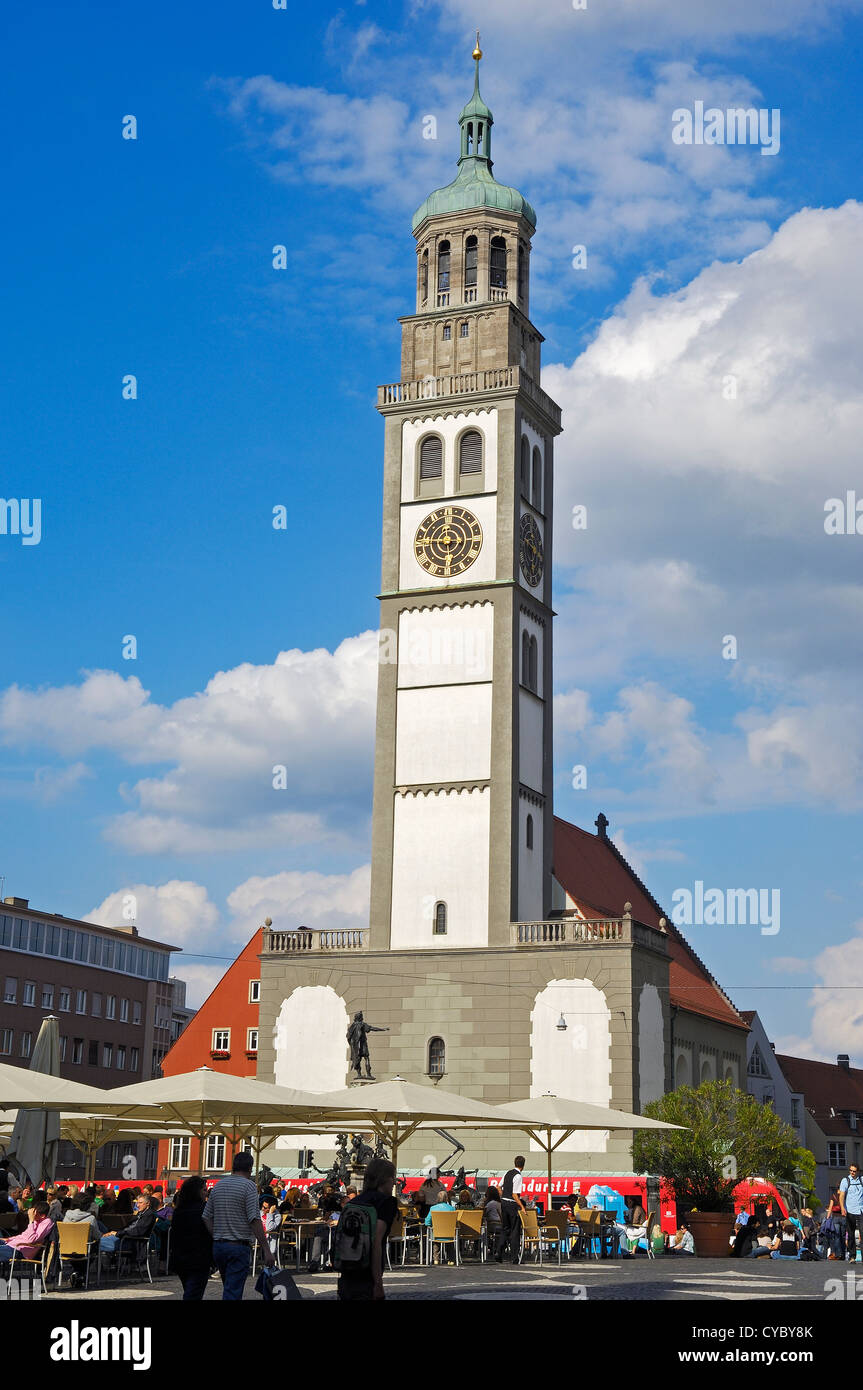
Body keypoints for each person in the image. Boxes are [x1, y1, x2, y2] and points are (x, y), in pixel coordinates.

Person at [203, 1152, 274, 1301]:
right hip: (238, 1245)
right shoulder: (248, 1186)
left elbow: (206, 1216)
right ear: (250, 1168)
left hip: (219, 1246)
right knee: (233, 1291)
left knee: (229, 1286)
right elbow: (254, 1220)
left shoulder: (218, 1185)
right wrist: (266, 1249)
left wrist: (216, 1234)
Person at [336, 1157, 397, 1302]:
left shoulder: (355, 1201)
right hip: (367, 1273)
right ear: (384, 1179)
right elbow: (376, 1240)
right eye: (393, 1178)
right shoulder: (386, 1202)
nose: (394, 1182)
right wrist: (378, 1283)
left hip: (347, 1269)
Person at [169, 1176, 213, 1301]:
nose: (206, 1193)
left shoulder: (179, 1210)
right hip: (199, 1257)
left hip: (181, 1258)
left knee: (190, 1290)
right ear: (196, 1191)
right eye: (204, 1190)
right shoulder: (204, 1209)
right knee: (193, 1293)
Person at [98, 1192, 158, 1264]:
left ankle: (105, 1264)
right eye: (137, 1203)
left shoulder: (149, 1215)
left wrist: (117, 1233)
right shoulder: (141, 1213)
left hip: (130, 1241)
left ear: (148, 1203)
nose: (138, 1205)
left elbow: (137, 1231)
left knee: (96, 1243)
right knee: (99, 1236)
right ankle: (110, 1263)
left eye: (140, 1203)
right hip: (124, 1238)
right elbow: (128, 1228)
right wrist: (114, 1232)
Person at [0, 1201, 54, 1265]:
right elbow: (23, 1236)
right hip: (12, 1244)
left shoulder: (47, 1222)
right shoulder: (36, 1221)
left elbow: (31, 1239)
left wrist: (31, 1221)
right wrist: (9, 1239)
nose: (31, 1214)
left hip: (20, 1250)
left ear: (42, 1215)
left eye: (34, 1213)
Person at [497, 1156, 526, 1264]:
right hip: (512, 1205)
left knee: (505, 1228)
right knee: (514, 1231)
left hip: (503, 1203)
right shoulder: (518, 1176)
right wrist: (522, 1207)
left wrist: (503, 1196)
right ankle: (514, 1257)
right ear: (523, 1165)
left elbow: (498, 1187)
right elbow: (515, 1195)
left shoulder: (507, 1173)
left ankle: (498, 1252)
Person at [840, 1161, 863, 1262]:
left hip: (861, 1210)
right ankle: (852, 1256)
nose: (852, 1173)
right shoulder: (845, 1181)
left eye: (854, 1171)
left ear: (857, 1171)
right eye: (851, 1171)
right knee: (851, 1234)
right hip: (850, 1210)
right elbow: (842, 1195)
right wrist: (842, 1208)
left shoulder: (862, 1180)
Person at [482, 1186, 502, 1251]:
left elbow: (483, 1214)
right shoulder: (499, 1203)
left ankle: (480, 1248)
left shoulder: (490, 1204)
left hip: (493, 1225)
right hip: (501, 1225)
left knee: (481, 1230)